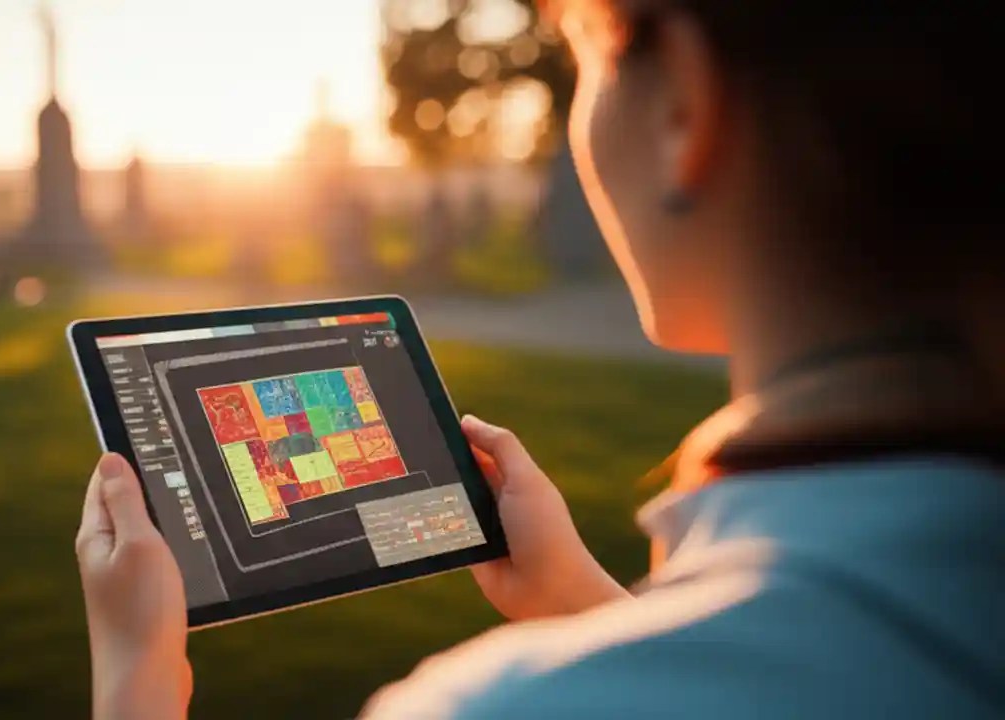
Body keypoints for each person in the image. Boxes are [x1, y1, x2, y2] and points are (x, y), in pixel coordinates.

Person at [74, 0, 1004, 717]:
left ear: (683, 100)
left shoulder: (493, 710)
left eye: (582, 64)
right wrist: (578, 598)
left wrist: (136, 676)